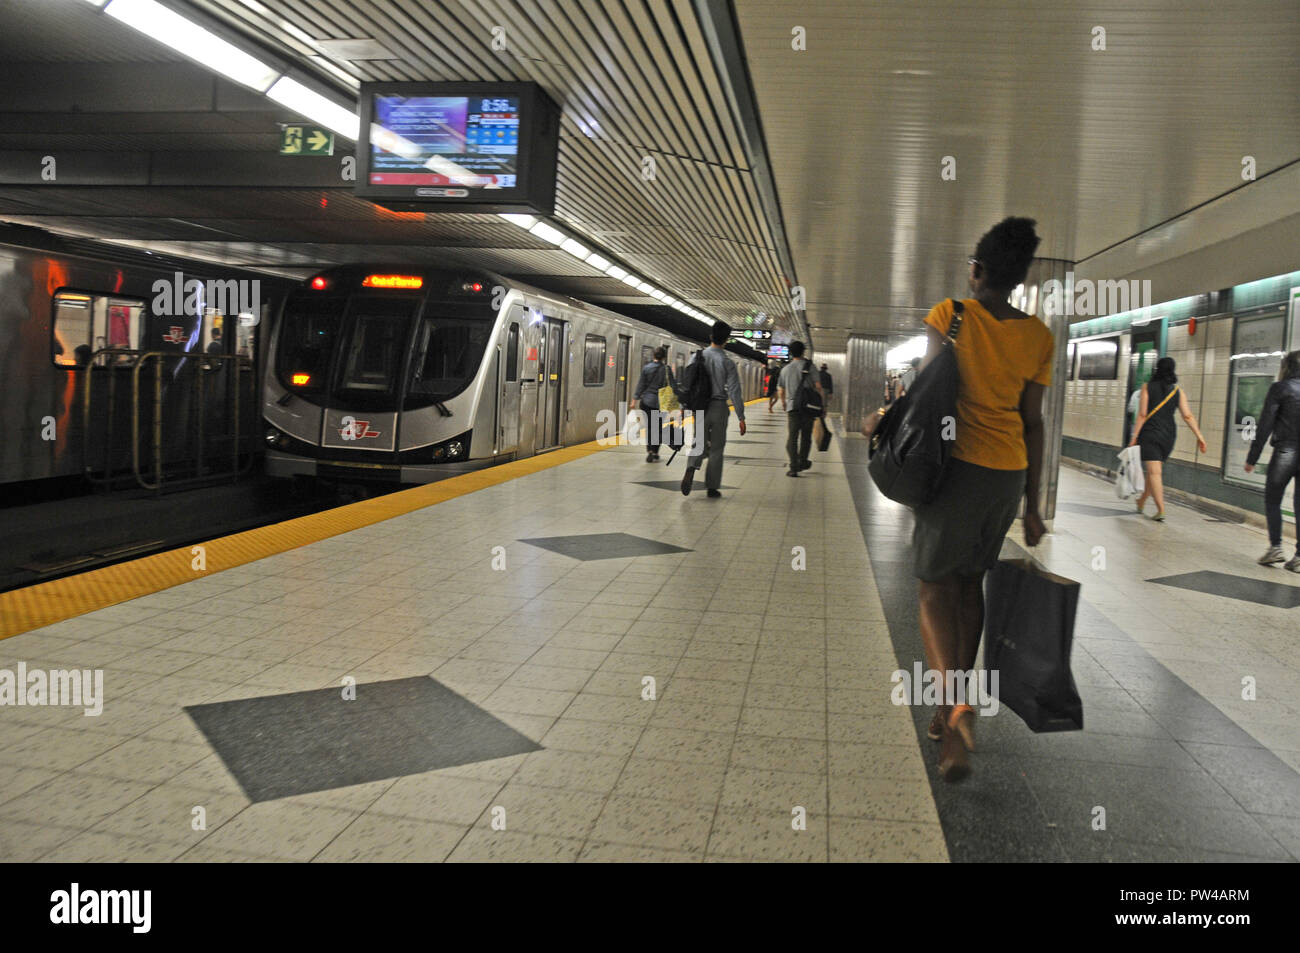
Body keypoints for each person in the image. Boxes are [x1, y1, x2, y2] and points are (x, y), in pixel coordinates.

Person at [861, 216, 1054, 783]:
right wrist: (1034, 505)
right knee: (969, 587)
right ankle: (956, 702)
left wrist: (878, 419)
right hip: (1006, 476)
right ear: (1016, 279)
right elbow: (1034, 422)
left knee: (930, 593)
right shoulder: (1039, 336)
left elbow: (924, 390)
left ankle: (952, 711)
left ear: (976, 272)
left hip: (956, 469)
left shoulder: (951, 315)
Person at [1129, 356, 1207, 522]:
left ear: (1157, 369)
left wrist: (1134, 437)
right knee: (1154, 472)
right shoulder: (1177, 391)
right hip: (1168, 436)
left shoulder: (1147, 387)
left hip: (1150, 433)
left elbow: (1142, 414)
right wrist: (1199, 436)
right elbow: (1187, 415)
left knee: (1154, 472)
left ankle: (1161, 510)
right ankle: (1142, 501)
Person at [1246, 350, 1300, 569]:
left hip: (1285, 451)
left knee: (1272, 499)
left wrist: (1253, 457)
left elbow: (1265, 424)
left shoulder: (1280, 388)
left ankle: (1276, 547)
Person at [681, 322, 747, 498]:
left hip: (700, 407)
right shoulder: (727, 362)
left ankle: (690, 466)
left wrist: (683, 406)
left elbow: (688, 383)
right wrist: (741, 417)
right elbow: (734, 390)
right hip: (718, 407)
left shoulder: (696, 357)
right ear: (726, 340)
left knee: (699, 442)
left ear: (711, 337)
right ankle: (712, 487)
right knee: (717, 448)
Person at [777, 341, 824, 477]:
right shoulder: (810, 366)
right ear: (803, 351)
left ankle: (793, 467)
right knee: (806, 436)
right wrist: (822, 405)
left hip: (792, 407)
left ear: (791, 353)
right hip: (808, 407)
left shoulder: (785, 369)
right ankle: (802, 461)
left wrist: (784, 404)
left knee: (792, 437)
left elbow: (781, 390)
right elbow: (819, 387)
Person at [633, 346, 674, 462]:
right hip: (662, 404)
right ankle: (655, 451)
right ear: (664, 357)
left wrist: (634, 399)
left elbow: (641, 385)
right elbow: (673, 386)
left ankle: (650, 451)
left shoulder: (647, 368)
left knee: (650, 427)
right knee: (658, 427)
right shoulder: (667, 369)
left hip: (647, 402)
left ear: (654, 356)